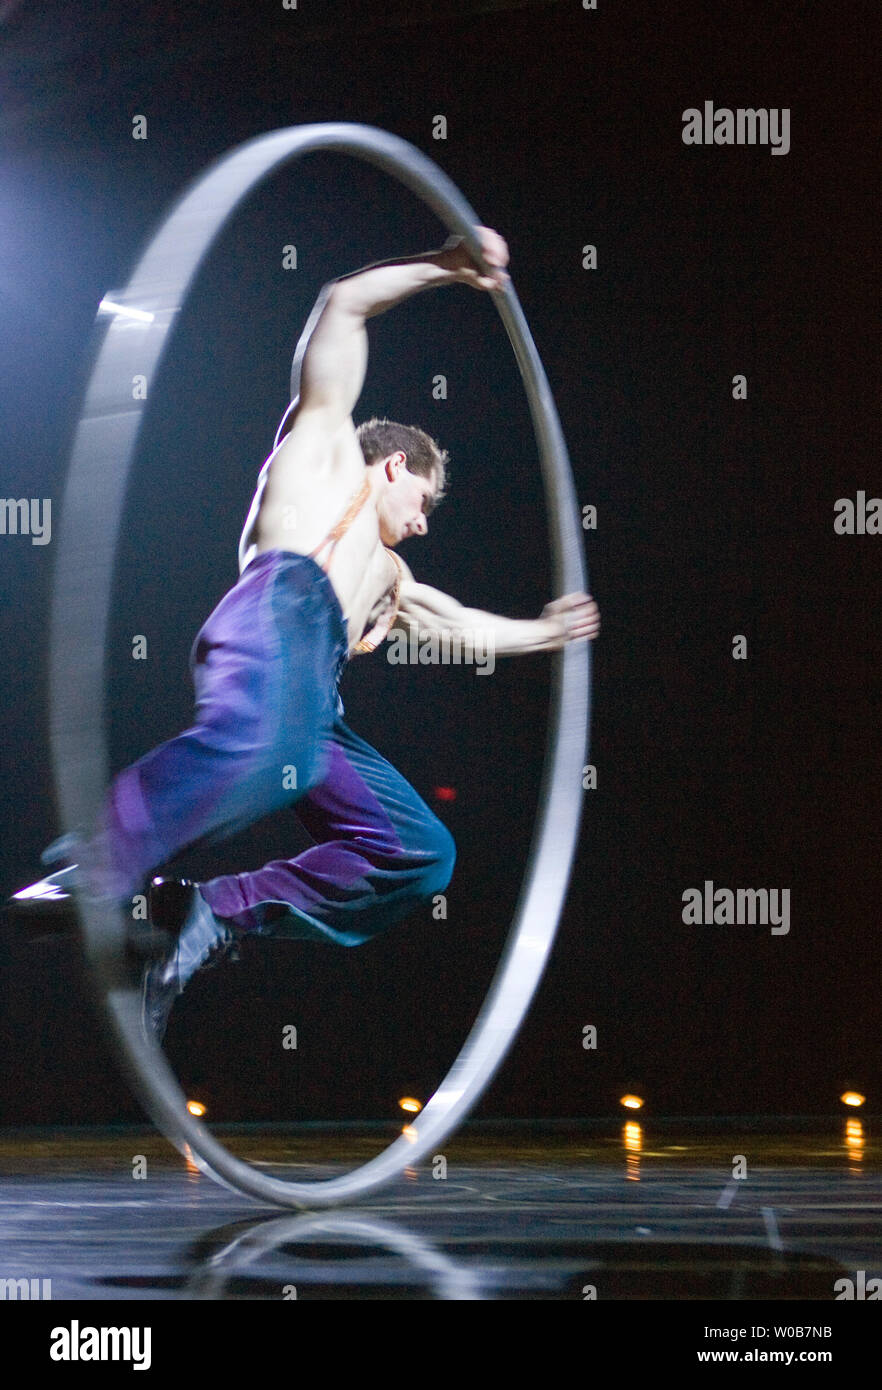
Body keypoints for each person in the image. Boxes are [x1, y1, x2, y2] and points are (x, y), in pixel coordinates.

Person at [12, 227, 600, 1041]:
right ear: (394, 466)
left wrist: (546, 633)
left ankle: (210, 918)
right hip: (277, 617)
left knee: (419, 852)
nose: (422, 526)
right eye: (424, 504)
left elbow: (460, 627)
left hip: (310, 703)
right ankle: (90, 871)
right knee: (263, 751)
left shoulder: (392, 578)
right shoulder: (325, 446)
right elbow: (341, 302)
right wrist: (443, 266)